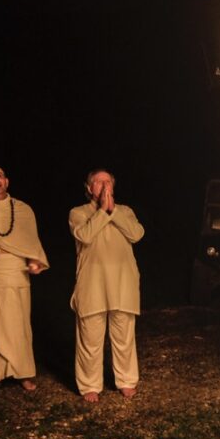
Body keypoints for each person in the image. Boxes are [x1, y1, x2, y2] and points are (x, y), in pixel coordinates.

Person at [0, 165, 49, 394]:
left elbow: (31, 242)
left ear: (7, 181)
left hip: (16, 273)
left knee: (19, 326)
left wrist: (34, 261)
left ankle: (23, 374)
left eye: (0, 175)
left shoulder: (23, 210)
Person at [69, 169, 144, 402]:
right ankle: (89, 385)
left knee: (123, 337)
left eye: (107, 181)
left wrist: (113, 211)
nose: (103, 185)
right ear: (89, 187)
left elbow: (136, 234)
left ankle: (126, 381)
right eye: (98, 182)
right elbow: (85, 235)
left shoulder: (125, 211)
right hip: (92, 283)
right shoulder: (78, 213)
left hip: (123, 282)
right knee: (90, 338)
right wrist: (102, 211)